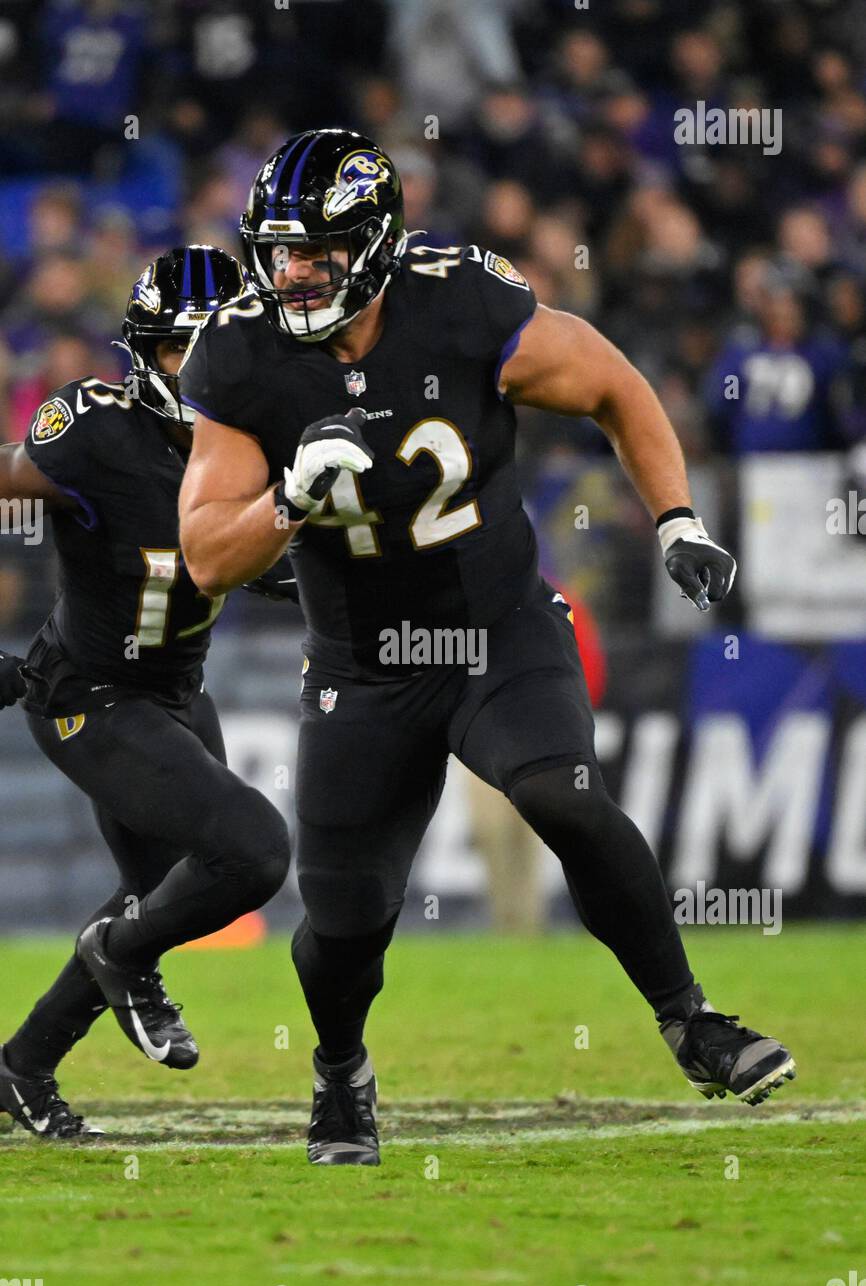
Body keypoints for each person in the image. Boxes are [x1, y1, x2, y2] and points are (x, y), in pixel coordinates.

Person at [178, 130, 795, 1166]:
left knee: (560, 794)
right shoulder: (240, 354)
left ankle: (689, 1018)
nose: (291, 273)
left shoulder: (460, 302)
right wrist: (287, 500)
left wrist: (676, 518)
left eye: (317, 250)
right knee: (343, 923)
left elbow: (612, 383)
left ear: (372, 245)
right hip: (359, 667)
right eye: (278, 250)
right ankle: (339, 1071)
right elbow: (205, 557)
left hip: (494, 628)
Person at [0, 246, 292, 1139]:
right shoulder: (94, 433)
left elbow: (290, 563)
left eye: (214, 347)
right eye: (180, 349)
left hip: (176, 692)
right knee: (253, 850)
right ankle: (125, 960)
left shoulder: (262, 440)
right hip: (88, 694)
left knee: (156, 890)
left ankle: (22, 1066)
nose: (198, 369)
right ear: (143, 356)